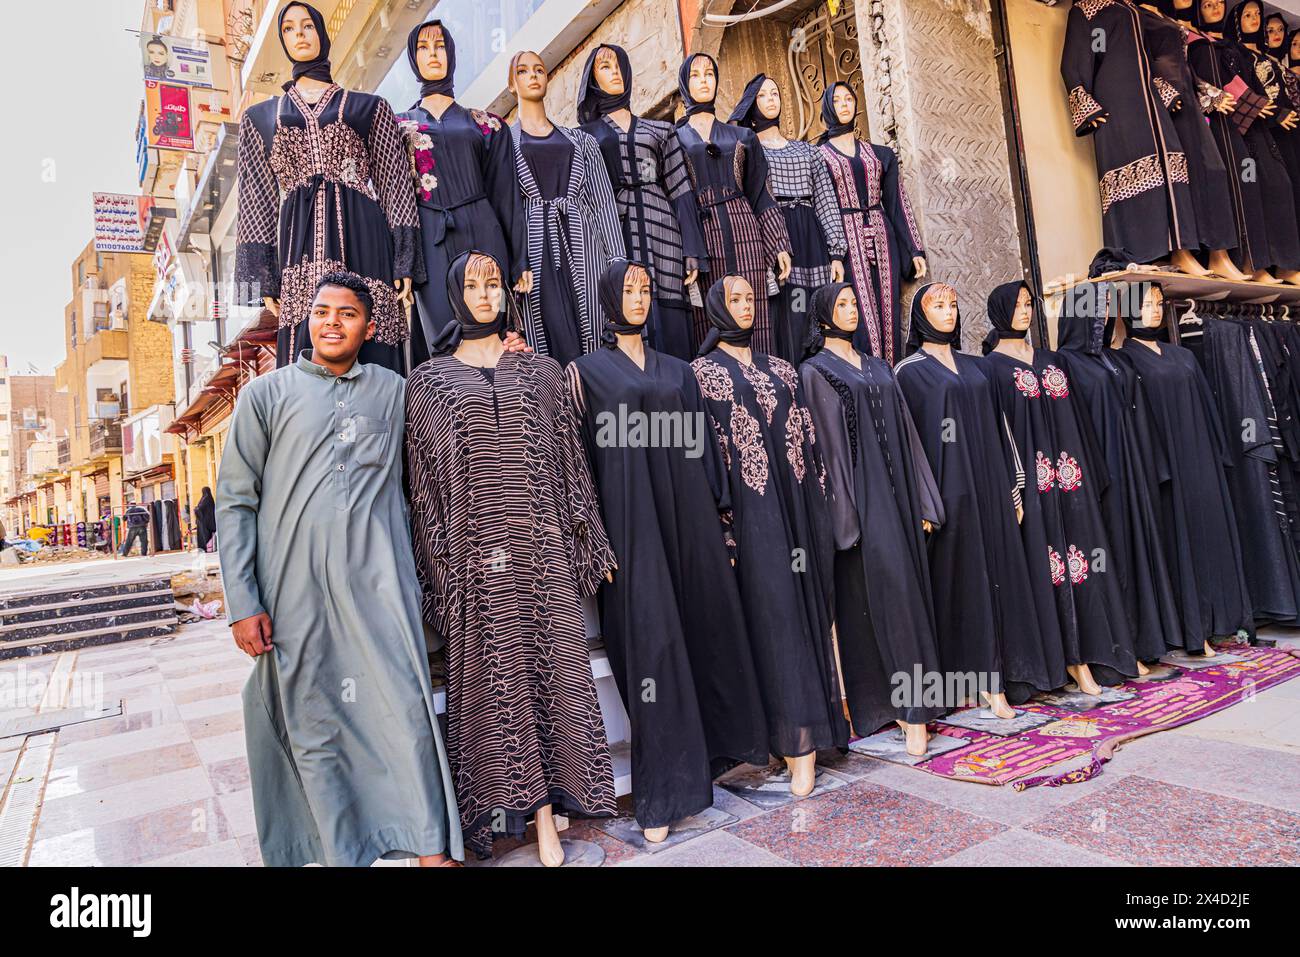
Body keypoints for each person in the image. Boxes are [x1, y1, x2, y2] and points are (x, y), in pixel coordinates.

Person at [216, 269, 463, 867]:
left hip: (381, 586)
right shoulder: (265, 396)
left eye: (347, 314)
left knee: (402, 710)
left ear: (369, 327)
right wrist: (243, 601)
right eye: (323, 311)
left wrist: (501, 351)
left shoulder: (392, 390)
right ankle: (339, 851)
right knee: (318, 722)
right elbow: (236, 500)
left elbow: (452, 409)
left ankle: (430, 845)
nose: (332, 322)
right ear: (307, 320)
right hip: (295, 594)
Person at [194, 487, 216, 552]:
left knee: (204, 535)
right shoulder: (210, 499)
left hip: (203, 522)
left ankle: (205, 548)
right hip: (209, 521)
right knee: (208, 535)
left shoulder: (205, 499)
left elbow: (200, 508)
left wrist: (195, 509)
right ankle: (209, 547)